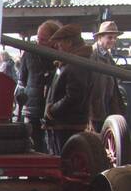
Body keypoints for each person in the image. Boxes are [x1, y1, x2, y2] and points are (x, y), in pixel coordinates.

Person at [44, 24, 97, 153]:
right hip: (62, 125)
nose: (57, 47)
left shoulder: (76, 65)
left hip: (67, 125)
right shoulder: (68, 63)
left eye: (60, 43)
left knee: (63, 163)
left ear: (69, 43)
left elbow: (74, 97)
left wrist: (52, 110)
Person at [18, 19, 60, 151]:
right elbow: (22, 80)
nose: (39, 43)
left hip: (53, 110)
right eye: (38, 38)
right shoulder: (28, 53)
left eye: (43, 40)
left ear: (54, 41)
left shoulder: (61, 57)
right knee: (32, 146)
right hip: (32, 109)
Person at [91, 20, 126, 122]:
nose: (113, 40)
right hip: (95, 109)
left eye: (115, 38)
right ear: (100, 37)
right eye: (110, 37)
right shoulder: (92, 55)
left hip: (107, 105)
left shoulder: (108, 56)